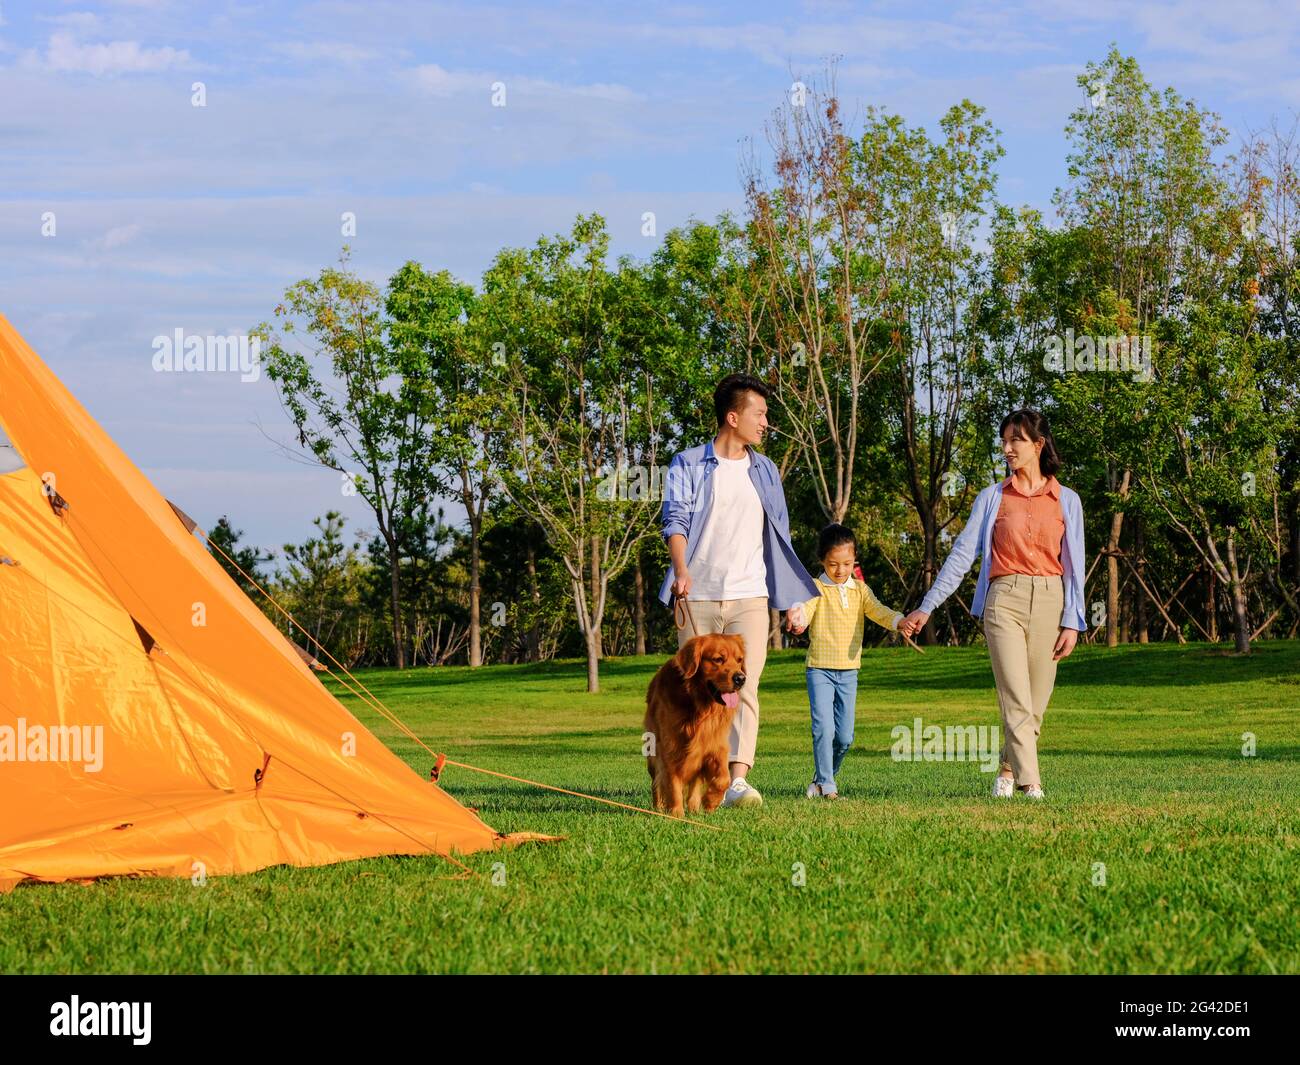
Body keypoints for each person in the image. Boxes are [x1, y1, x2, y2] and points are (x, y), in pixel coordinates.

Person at [899, 409, 1086, 800]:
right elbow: (961, 556)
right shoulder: (992, 498)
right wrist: (926, 606)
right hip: (1004, 600)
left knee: (1036, 704)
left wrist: (1073, 621)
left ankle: (1006, 765)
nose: (1007, 448)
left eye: (1015, 440)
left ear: (1038, 445)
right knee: (1015, 696)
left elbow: (1075, 566)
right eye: (1004, 440)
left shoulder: (1067, 500)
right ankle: (1030, 783)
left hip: (1051, 600)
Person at [658, 373, 820, 808]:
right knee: (695, 689)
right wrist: (680, 570)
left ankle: (735, 780)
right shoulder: (687, 463)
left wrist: (792, 600)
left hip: (751, 595)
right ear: (733, 417)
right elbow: (674, 520)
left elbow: (780, 535)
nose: (767, 422)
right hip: (698, 596)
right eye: (760, 414)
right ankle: (688, 776)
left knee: (742, 687)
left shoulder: (765, 470)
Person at [785, 524, 903, 799]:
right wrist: (797, 618)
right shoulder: (814, 588)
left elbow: (878, 611)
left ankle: (820, 779)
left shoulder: (859, 590)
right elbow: (804, 609)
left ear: (854, 560)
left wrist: (900, 621)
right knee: (823, 727)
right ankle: (828, 784)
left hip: (849, 671)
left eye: (847, 563)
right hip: (820, 670)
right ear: (822, 561)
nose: (840, 570)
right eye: (833, 564)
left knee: (845, 738)